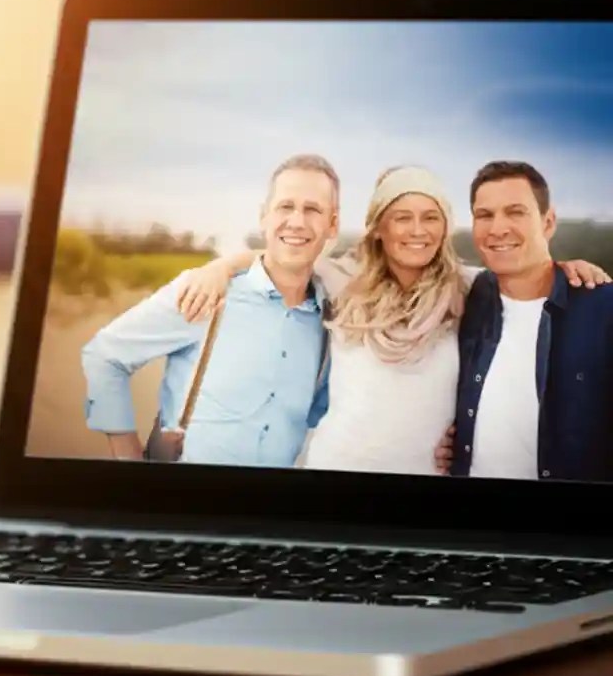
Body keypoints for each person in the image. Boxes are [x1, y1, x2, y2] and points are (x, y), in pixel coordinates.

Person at [176, 165, 610, 475]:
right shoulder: (343, 279)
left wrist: (567, 269)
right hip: (334, 475)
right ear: (379, 228)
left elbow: (524, 274)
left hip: (424, 487)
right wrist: (220, 267)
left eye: (431, 218)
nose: (417, 230)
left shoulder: (466, 287)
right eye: (402, 217)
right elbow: (281, 258)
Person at [80, 153, 335, 465]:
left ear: (333, 225)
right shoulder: (205, 293)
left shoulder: (330, 323)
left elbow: (315, 417)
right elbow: (105, 355)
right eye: (285, 206)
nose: (297, 221)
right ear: (263, 216)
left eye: (313, 209)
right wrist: (127, 460)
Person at [442, 161, 613, 482]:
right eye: (484, 215)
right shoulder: (467, 297)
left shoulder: (603, 309)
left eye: (515, 212)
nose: (498, 228)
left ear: (548, 222)